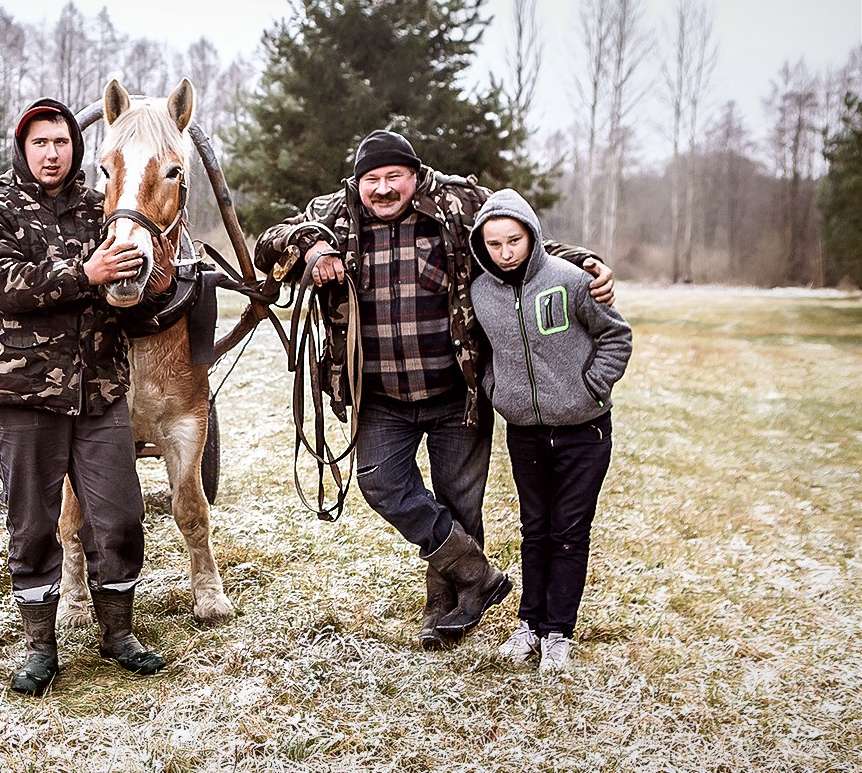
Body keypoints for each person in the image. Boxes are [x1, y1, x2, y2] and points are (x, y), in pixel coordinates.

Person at [254, 130, 616, 650]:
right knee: (380, 484)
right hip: (379, 395)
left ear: (414, 174)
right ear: (356, 183)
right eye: (370, 180)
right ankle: (476, 573)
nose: (381, 189)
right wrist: (310, 249)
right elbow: (271, 241)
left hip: (455, 390)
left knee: (459, 501)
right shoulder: (334, 214)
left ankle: (448, 610)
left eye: (392, 178)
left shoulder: (457, 202)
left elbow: (518, 241)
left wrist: (583, 262)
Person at [0, 98, 175, 696]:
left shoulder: (99, 206)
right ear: (22, 148)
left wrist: (155, 272)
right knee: (33, 524)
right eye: (39, 143)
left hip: (100, 390)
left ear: (76, 148)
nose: (51, 153)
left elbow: (134, 266)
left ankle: (117, 632)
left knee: (122, 514)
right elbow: (5, 287)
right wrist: (89, 274)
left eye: (61, 142)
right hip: (23, 394)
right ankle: (39, 645)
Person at [468, 189, 632, 673]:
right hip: (525, 433)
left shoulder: (571, 281)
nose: (505, 253)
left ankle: (559, 632)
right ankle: (528, 626)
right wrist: (500, 391)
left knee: (569, 531)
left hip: (584, 431)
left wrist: (590, 386)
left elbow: (615, 336)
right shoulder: (481, 293)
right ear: (482, 246)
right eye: (494, 244)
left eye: (514, 240)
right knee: (534, 530)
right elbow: (486, 353)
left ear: (532, 235)